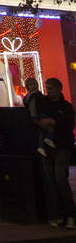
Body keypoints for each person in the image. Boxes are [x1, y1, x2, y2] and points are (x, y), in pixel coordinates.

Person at [36, 78, 76, 229]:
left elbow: (68, 124)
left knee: (60, 178)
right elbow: (38, 119)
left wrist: (53, 121)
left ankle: (69, 214)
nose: (49, 91)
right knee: (51, 181)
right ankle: (58, 214)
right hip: (47, 147)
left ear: (59, 89)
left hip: (62, 145)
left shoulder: (66, 106)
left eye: (51, 88)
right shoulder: (43, 103)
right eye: (47, 88)